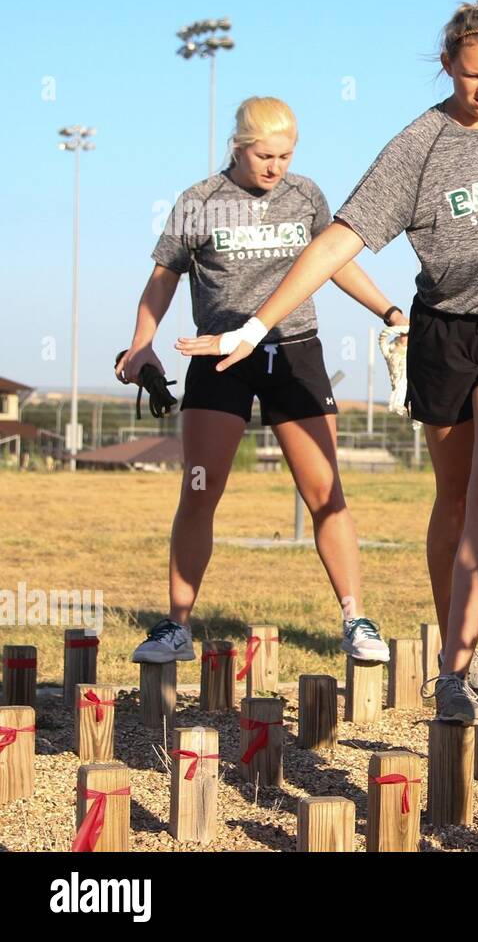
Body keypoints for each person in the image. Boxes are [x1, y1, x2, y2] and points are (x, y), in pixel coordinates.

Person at [176, 1, 478, 725]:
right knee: (453, 496)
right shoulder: (416, 148)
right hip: (446, 331)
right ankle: (458, 646)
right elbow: (334, 244)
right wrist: (256, 326)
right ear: (447, 65)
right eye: (473, 75)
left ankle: (457, 667)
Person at [120, 96, 402, 665]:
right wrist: (142, 341)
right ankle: (176, 627)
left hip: (293, 351)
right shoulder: (198, 201)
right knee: (200, 490)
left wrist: (390, 311)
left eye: (286, 155)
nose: (276, 167)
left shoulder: (305, 196)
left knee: (326, 493)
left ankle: (356, 619)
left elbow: (335, 260)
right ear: (238, 147)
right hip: (219, 355)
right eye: (265, 156)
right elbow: (163, 277)